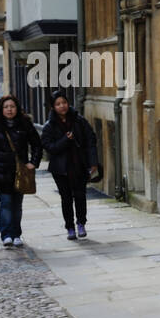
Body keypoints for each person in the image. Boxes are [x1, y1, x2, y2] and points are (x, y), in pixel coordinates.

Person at [0, 95, 43, 248]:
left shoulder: (25, 123)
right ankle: (6, 234)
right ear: (1, 108)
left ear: (17, 108)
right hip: (0, 170)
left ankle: (16, 234)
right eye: (6, 107)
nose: (9, 109)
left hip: (20, 171)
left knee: (17, 204)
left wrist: (34, 163)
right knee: (5, 202)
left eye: (12, 106)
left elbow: (37, 144)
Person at [41, 91, 100, 240]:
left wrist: (93, 162)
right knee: (66, 198)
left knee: (80, 196)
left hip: (78, 165)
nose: (62, 106)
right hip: (60, 169)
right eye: (58, 104)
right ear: (53, 107)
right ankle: (70, 227)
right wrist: (65, 140)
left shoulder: (79, 120)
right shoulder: (49, 126)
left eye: (64, 102)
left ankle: (81, 223)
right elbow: (49, 147)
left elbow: (90, 140)